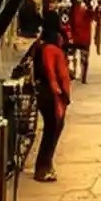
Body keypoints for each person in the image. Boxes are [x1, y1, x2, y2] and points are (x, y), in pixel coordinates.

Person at [33, 22, 72, 182]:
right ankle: (43, 168)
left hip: (47, 93)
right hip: (52, 95)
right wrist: (60, 92)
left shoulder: (41, 48)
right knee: (52, 130)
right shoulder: (52, 50)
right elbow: (55, 73)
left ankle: (45, 165)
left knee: (51, 130)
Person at [68, 0, 94, 83]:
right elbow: (91, 14)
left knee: (73, 57)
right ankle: (83, 76)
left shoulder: (72, 11)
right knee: (84, 58)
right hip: (84, 39)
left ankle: (75, 73)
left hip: (76, 39)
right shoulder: (84, 11)